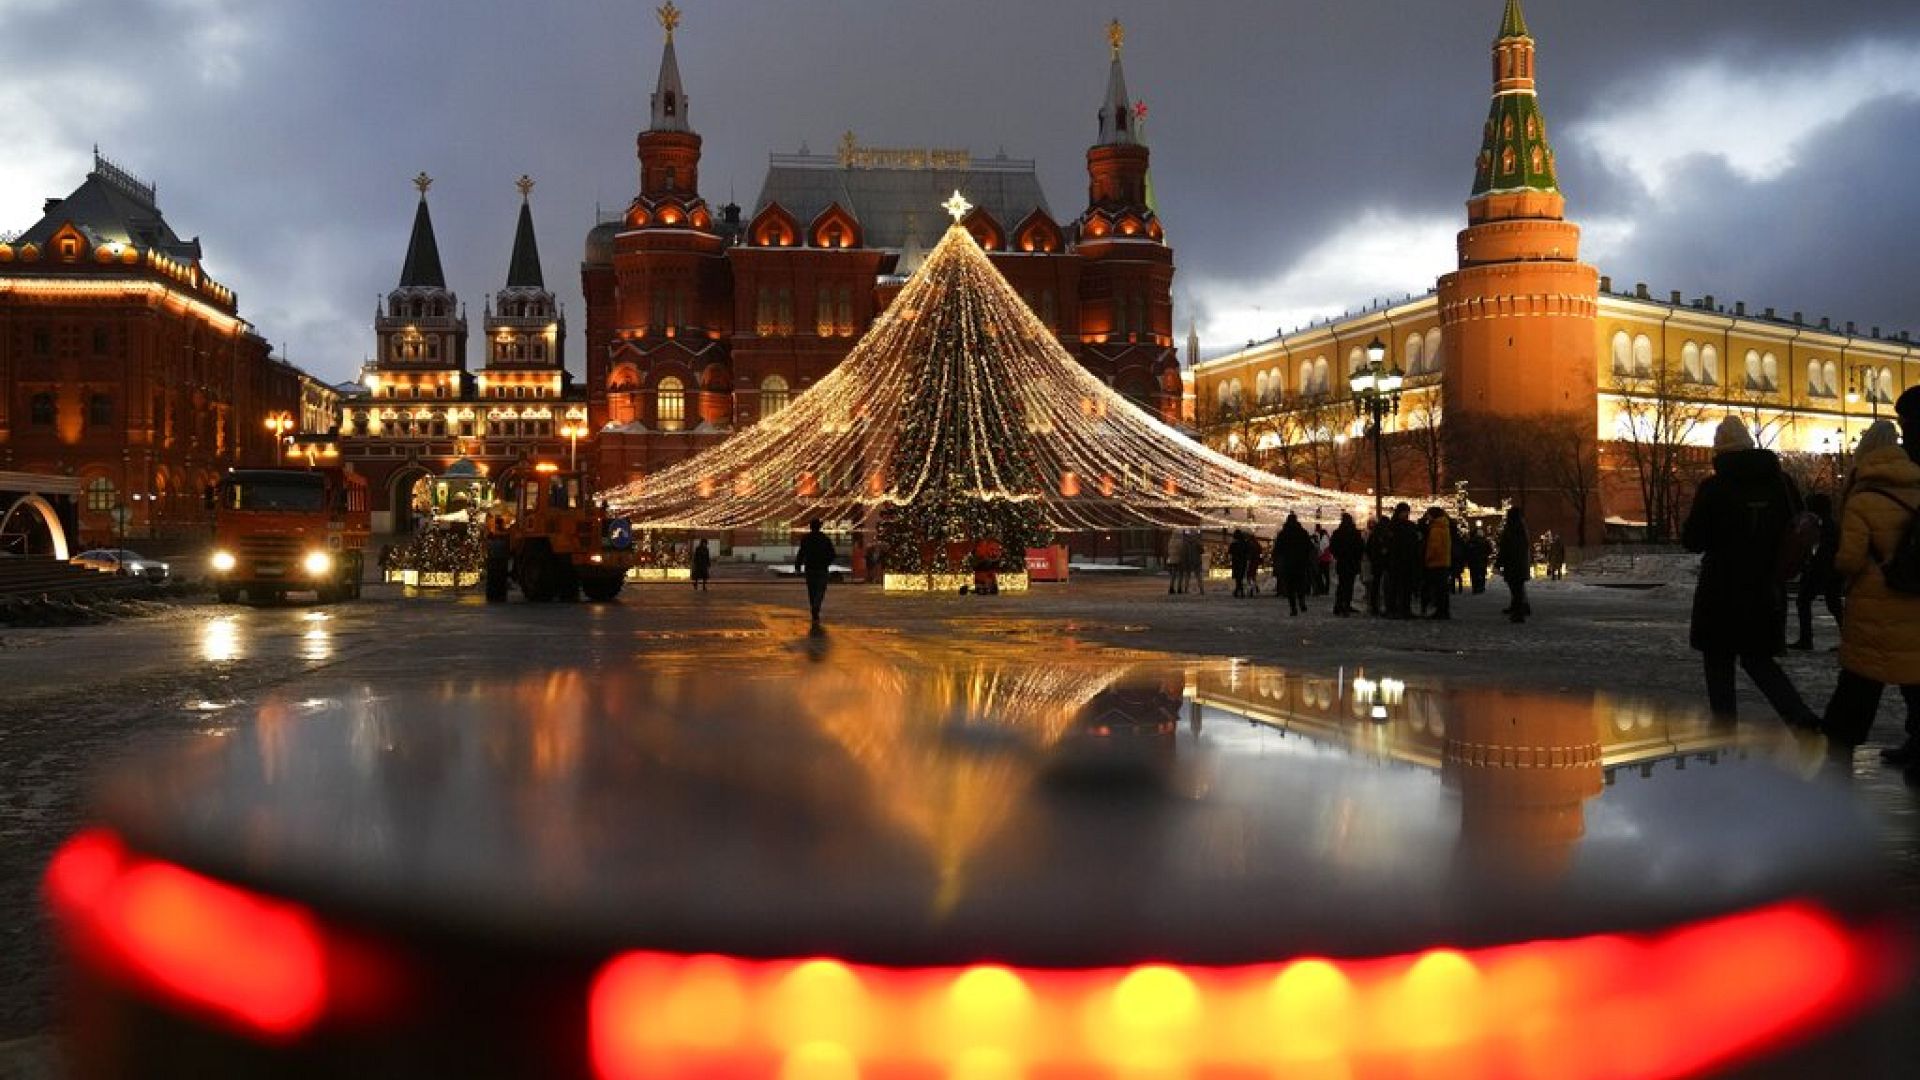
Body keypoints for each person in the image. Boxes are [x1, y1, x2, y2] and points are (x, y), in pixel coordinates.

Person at [1681, 416, 1820, 728]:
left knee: (1718, 660)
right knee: (1758, 658)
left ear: (1719, 451)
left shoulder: (1714, 487)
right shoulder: (1782, 484)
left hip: (1721, 588)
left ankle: (1724, 730)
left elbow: (1693, 541)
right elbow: (1797, 526)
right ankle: (1799, 717)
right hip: (1766, 586)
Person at [1817, 421, 1920, 771]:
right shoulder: (1917, 489)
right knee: (1915, 674)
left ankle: (1838, 758)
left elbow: (1850, 559)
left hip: (1874, 605)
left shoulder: (1862, 498)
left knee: (1860, 684)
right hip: (1915, 598)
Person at [1789, 494, 1842, 650]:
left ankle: (1806, 639)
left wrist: (1809, 564)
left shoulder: (1818, 524)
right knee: (1834, 604)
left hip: (1820, 570)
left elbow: (1818, 549)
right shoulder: (1831, 524)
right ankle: (1847, 639)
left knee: (1804, 601)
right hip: (1832, 570)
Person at [795, 519, 837, 626]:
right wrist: (826, 562)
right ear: (820, 527)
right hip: (821, 568)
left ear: (811, 527)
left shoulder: (806, 539)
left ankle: (814, 608)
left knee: (812, 590)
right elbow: (832, 554)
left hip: (810, 568)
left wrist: (798, 565)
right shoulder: (825, 539)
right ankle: (816, 606)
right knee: (820, 589)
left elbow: (801, 553)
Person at [1387, 503, 1421, 619]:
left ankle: (1405, 609)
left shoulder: (1410, 525)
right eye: (1403, 511)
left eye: (1407, 512)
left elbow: (1415, 541)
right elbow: (1391, 543)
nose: (1405, 514)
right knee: (1395, 586)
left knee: (1406, 587)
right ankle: (1393, 609)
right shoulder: (1393, 526)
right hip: (1396, 561)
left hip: (1408, 560)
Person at [1498, 509, 1531, 623]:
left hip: (1513, 564)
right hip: (1519, 564)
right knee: (1518, 589)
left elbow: (1505, 548)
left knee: (1516, 590)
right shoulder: (1521, 529)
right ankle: (1520, 609)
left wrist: (1499, 563)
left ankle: (1519, 613)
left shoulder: (1511, 530)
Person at [1276, 514, 1313, 615]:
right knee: (1300, 584)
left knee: (1290, 587)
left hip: (1288, 563)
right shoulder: (1302, 532)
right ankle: (1301, 600)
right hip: (1300, 563)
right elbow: (1309, 547)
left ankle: (1293, 607)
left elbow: (1278, 549)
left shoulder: (1283, 534)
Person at [1330, 512, 1364, 616]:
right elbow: (1360, 547)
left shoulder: (1337, 532)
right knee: (1349, 585)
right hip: (1352, 562)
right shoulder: (1355, 532)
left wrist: (1338, 555)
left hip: (1342, 562)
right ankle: (1346, 605)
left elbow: (1333, 548)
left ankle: (1339, 605)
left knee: (1342, 585)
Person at [1423, 506, 1454, 620]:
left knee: (1438, 589)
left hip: (1436, 562)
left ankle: (1440, 612)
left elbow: (1433, 547)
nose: (1427, 516)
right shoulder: (1445, 526)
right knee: (1443, 589)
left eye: (1428, 514)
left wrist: (1427, 558)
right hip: (1444, 561)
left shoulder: (1435, 528)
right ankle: (1444, 611)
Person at [1365, 515, 1391, 615]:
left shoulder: (1374, 533)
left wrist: (1373, 559)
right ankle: (1384, 605)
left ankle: (1374, 606)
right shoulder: (1387, 533)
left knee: (1375, 585)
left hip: (1376, 563)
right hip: (1385, 563)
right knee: (1384, 585)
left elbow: (1367, 549)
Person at [1466, 523, 1492, 595]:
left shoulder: (1470, 542)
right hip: (1482, 560)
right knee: (1482, 573)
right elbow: (1490, 550)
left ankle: (1475, 588)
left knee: (1474, 574)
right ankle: (1481, 587)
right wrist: (1485, 555)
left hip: (1473, 561)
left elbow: (1467, 551)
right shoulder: (1484, 541)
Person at [1227, 530, 1252, 598]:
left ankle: (1239, 590)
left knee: (1238, 577)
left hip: (1236, 562)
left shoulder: (1234, 544)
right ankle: (1239, 590)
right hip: (1243, 562)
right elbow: (1248, 552)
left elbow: (1229, 552)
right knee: (1240, 577)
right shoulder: (1244, 543)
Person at [1182, 530, 1207, 595]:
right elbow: (1202, 551)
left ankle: (1186, 589)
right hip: (1197, 560)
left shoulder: (1186, 542)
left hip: (1188, 560)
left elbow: (1184, 552)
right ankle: (1201, 590)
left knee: (1187, 575)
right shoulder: (1197, 542)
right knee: (1198, 576)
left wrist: (1184, 560)